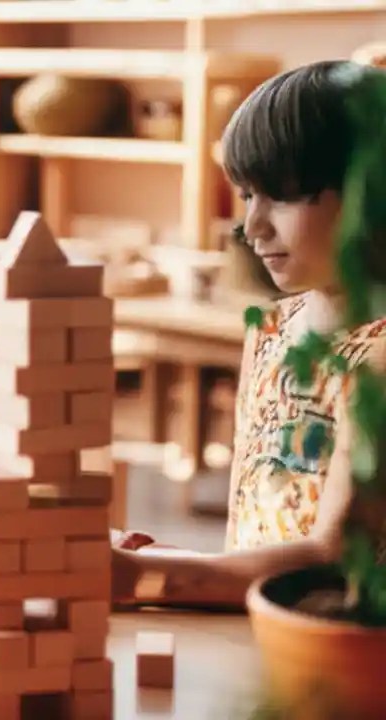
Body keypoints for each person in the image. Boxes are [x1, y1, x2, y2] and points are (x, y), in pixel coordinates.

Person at [112, 61, 386, 608]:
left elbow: (329, 557)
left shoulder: (378, 360)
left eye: (281, 194)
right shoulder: (272, 328)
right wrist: (159, 559)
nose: (252, 226)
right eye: (246, 195)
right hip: (254, 633)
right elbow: (252, 530)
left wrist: (147, 575)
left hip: (338, 661)